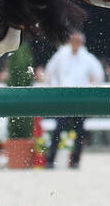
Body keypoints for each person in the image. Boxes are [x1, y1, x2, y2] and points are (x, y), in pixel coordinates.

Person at [43, 32, 105, 168]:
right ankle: (50, 160)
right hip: (64, 98)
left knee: (79, 132)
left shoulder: (88, 58)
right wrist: (55, 89)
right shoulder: (61, 55)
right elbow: (49, 72)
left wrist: (89, 90)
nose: (75, 43)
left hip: (80, 100)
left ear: (82, 43)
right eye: (73, 40)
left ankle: (75, 161)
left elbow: (99, 76)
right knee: (58, 130)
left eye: (77, 41)